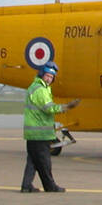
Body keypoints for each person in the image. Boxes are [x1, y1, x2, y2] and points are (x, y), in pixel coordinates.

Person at [22, 62, 68, 193]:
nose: (49, 79)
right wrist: (64, 108)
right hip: (40, 132)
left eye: (51, 77)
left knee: (33, 160)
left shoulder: (38, 87)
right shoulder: (40, 89)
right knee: (44, 161)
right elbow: (48, 108)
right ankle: (50, 186)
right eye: (47, 76)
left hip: (33, 132)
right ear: (42, 74)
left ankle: (26, 185)